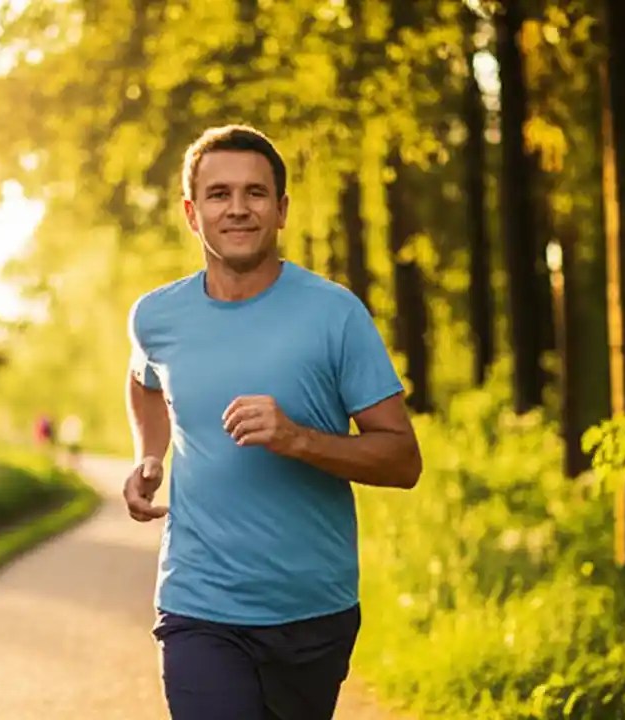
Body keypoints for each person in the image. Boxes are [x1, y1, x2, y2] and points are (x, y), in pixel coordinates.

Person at [123, 124, 423, 720]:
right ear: (192, 212)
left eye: (255, 193)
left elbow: (403, 460)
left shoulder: (334, 314)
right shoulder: (156, 317)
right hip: (197, 603)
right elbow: (143, 382)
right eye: (218, 194)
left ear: (281, 210)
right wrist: (148, 456)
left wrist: (298, 438)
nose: (237, 209)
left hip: (312, 610)